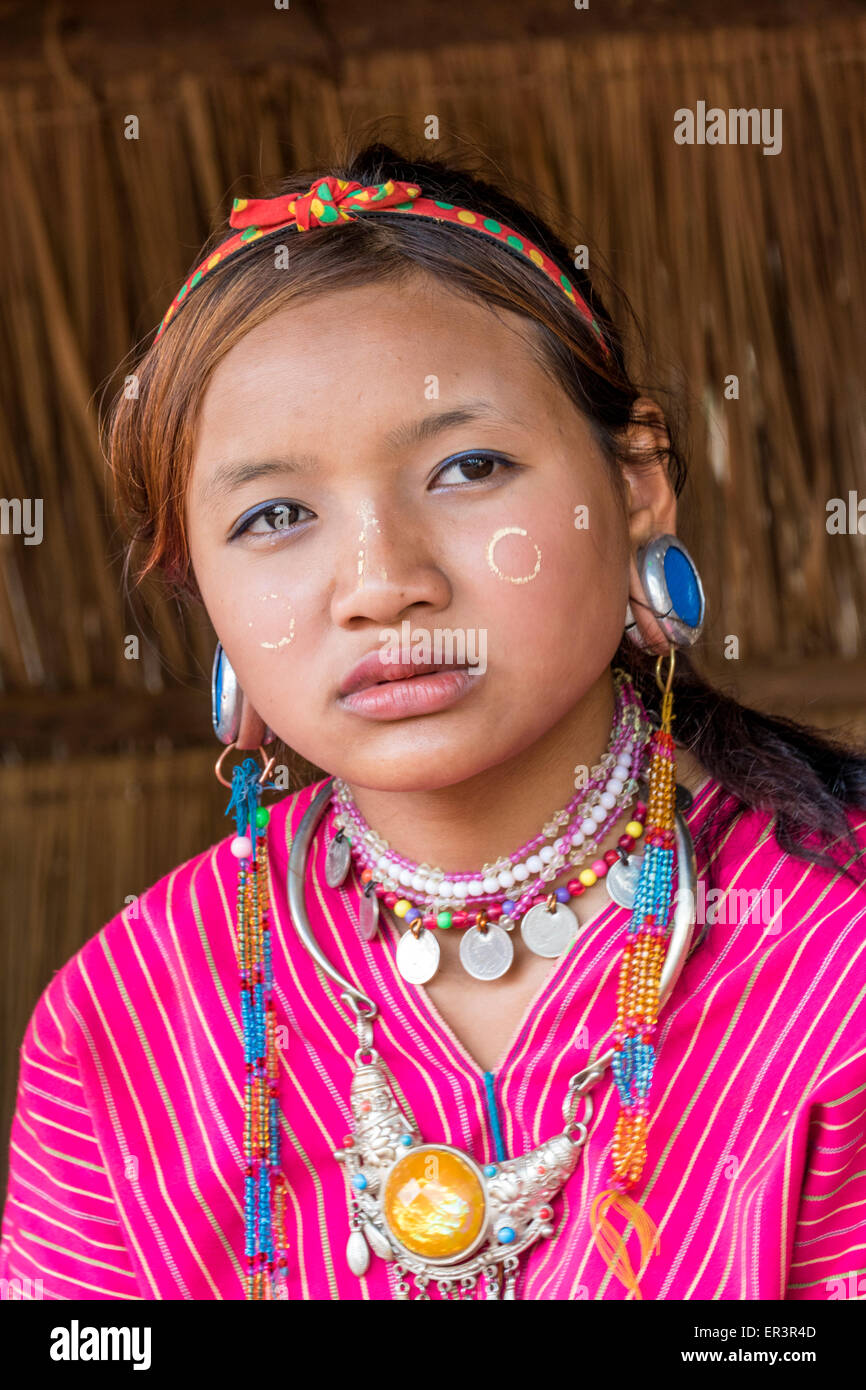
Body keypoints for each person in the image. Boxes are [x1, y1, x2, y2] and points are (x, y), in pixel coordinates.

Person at [2, 142, 865, 1303]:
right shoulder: (121, 1023)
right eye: (274, 514)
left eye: (465, 465)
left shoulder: (829, 960)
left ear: (638, 478)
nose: (379, 581)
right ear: (194, 578)